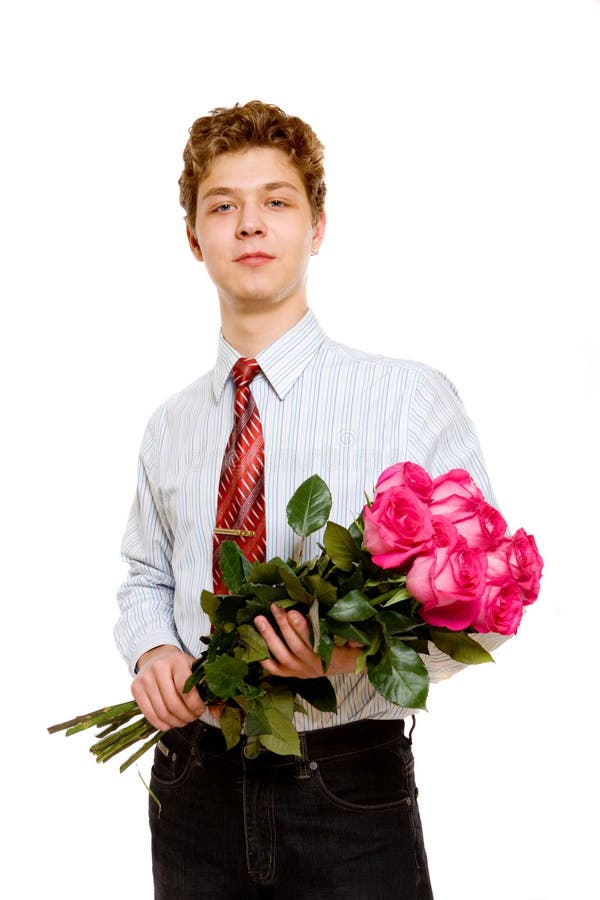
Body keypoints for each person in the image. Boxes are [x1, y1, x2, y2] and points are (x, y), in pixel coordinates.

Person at [115, 100, 503, 899]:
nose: (249, 224)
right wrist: (153, 650)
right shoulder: (171, 425)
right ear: (194, 238)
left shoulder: (406, 398)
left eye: (277, 202)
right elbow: (144, 576)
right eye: (223, 205)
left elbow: (488, 600)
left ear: (317, 227)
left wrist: (354, 654)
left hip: (344, 787)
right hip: (192, 781)